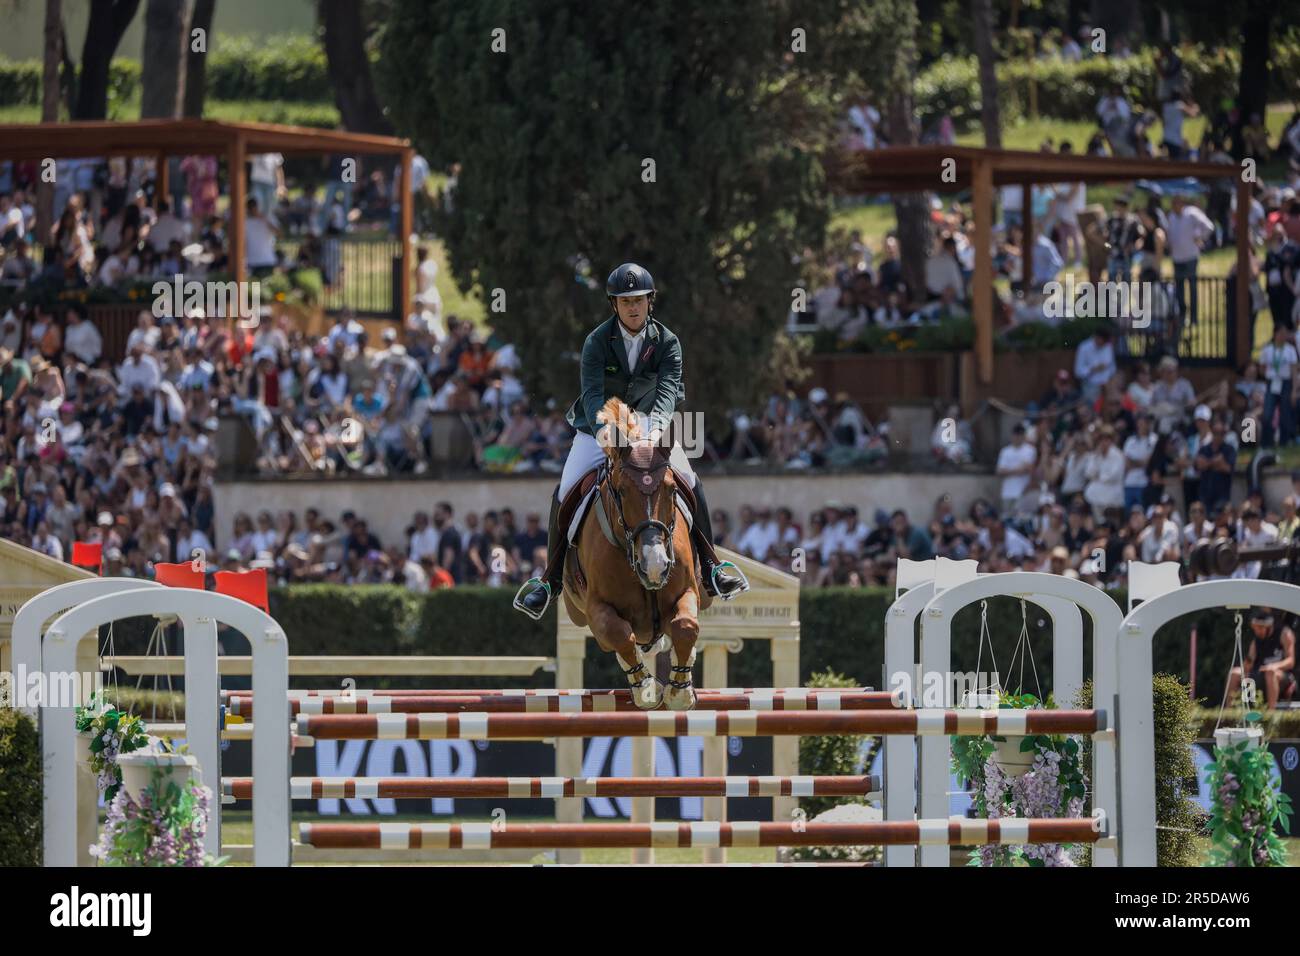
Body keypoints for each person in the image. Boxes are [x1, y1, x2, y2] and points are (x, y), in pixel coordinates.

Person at [514, 263, 748, 618]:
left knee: (689, 481)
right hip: (601, 427)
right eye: (625, 302)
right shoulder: (596, 341)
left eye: (638, 300)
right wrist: (604, 429)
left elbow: (669, 391)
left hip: (650, 423)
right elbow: (592, 394)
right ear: (614, 305)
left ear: (650, 300)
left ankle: (713, 567)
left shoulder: (668, 342)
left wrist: (654, 429)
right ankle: (550, 581)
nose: (633, 308)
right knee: (565, 491)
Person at [1226, 608, 1297, 709]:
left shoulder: (1284, 633)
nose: (1257, 631)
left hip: (1282, 677)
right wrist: (1248, 661)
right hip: (1260, 675)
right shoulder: (1256, 641)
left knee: (1270, 672)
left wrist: (1272, 667)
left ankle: (1270, 715)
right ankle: (1228, 714)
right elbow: (1248, 665)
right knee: (1234, 673)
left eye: (1259, 628)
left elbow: (1291, 661)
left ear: (1267, 626)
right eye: (1255, 628)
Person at [1167, 195, 1214, 325]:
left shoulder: (1192, 213)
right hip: (1177, 258)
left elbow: (1209, 226)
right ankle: (1182, 317)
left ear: (1182, 203)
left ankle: (1194, 318)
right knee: (1179, 291)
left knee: (1192, 289)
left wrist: (1200, 238)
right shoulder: (1171, 217)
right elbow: (1170, 235)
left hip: (1191, 257)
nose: (1174, 206)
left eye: (1176, 203)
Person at [1259, 325, 1298, 447]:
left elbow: (1294, 371)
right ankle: (1267, 442)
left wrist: (1294, 390)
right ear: (1275, 334)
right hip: (1272, 382)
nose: (1284, 336)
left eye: (1285, 333)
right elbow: (1262, 368)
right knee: (1268, 413)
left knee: (1285, 413)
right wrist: (1268, 375)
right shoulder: (1267, 350)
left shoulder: (1290, 350)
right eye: (1282, 333)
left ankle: (1284, 442)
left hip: (1286, 383)